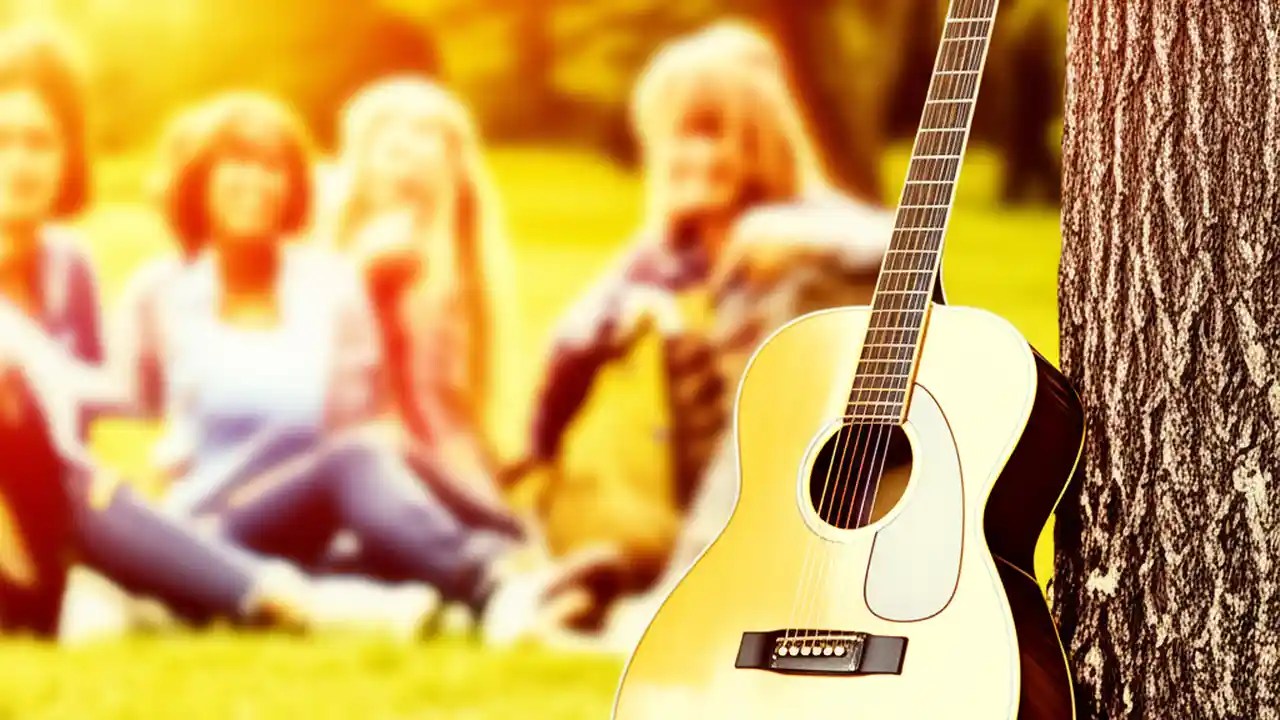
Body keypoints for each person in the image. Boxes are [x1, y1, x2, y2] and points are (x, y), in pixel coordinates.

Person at [120, 92, 608, 641]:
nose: (254, 181)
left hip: (307, 511)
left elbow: (357, 417)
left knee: (378, 487)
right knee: (359, 462)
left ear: (295, 187)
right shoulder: (160, 291)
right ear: (200, 181)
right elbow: (129, 411)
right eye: (235, 162)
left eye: (271, 165)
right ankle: (500, 585)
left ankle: (517, 574)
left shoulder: (329, 285)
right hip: (212, 522)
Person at [520, 22, 892, 601]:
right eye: (672, 137)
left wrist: (806, 237)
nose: (687, 156)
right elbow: (562, 359)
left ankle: (677, 589)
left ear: (761, 140)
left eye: (709, 134)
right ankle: (622, 575)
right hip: (680, 482)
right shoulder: (665, 256)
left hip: (807, 473)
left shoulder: (808, 228)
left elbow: (908, 246)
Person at [0, 26, 309, 634]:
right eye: (1, 139)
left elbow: (99, 429)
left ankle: (232, 585)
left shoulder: (69, 267)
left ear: (68, 154)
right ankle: (264, 593)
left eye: (38, 142)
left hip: (60, 526)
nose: (19, 163)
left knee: (75, 469)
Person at [324, 78, 519, 534]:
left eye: (425, 137)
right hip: (358, 449)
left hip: (443, 447)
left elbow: (459, 402)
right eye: (388, 140)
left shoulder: (464, 268)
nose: (405, 151)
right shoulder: (331, 262)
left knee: (491, 525)